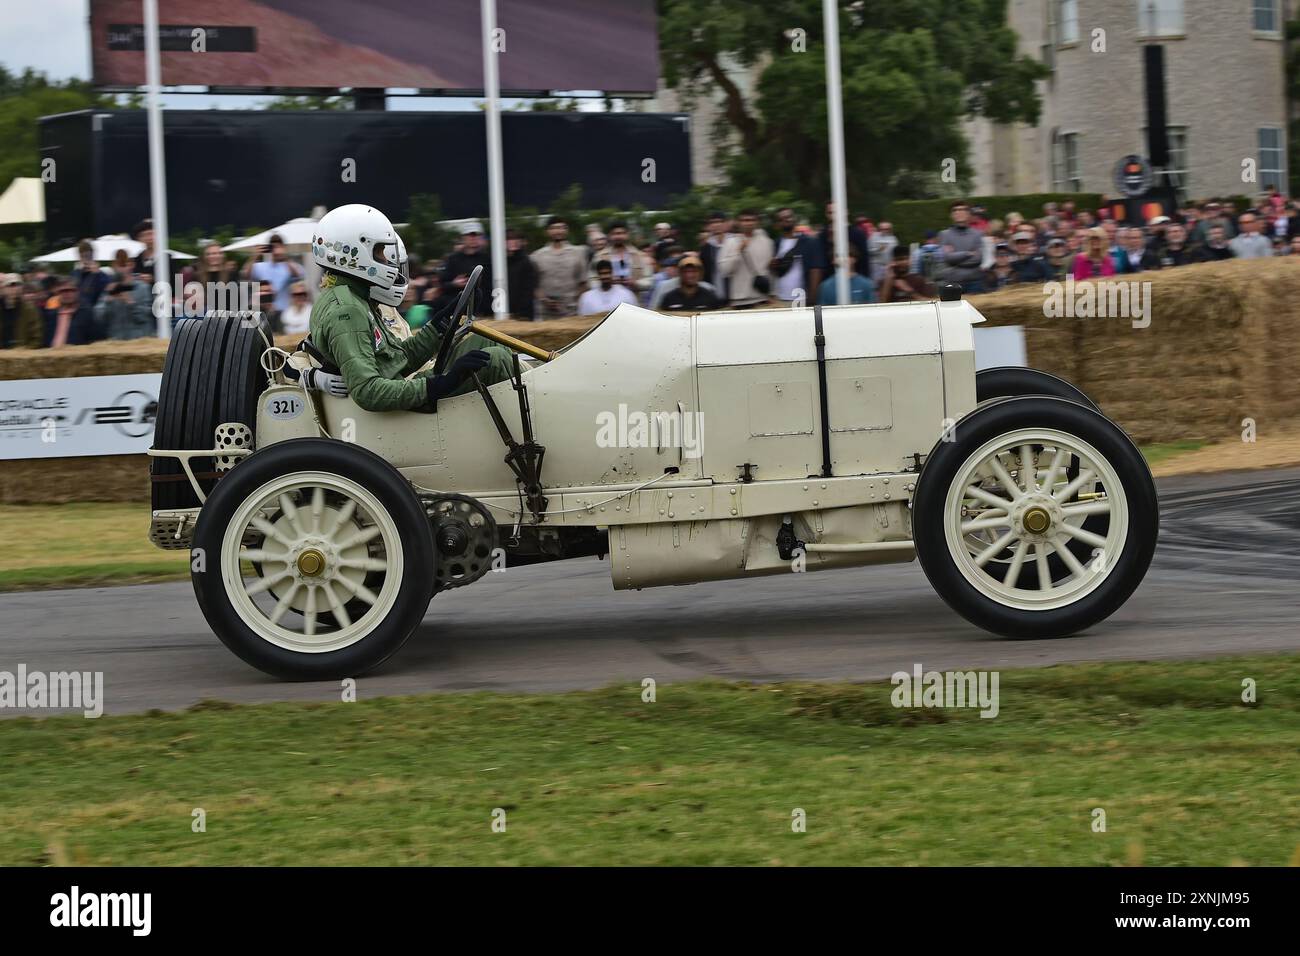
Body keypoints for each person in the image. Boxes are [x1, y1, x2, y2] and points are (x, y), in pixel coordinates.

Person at [308, 204, 514, 413]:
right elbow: (368, 391)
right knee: (494, 360)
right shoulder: (347, 312)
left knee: (487, 340)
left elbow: (398, 360)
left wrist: (440, 323)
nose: (387, 261)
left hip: (400, 385)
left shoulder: (356, 297)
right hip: (402, 406)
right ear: (353, 253)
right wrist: (442, 384)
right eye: (379, 252)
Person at [531, 216, 588, 319]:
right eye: (554, 228)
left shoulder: (578, 253)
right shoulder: (537, 256)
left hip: (571, 311)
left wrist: (576, 302)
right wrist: (544, 300)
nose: (558, 231)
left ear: (566, 230)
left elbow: (583, 283)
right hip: (544, 313)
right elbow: (533, 285)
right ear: (547, 231)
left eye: (561, 227)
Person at [717, 208, 774, 308]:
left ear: (757, 222)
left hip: (762, 298)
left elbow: (769, 271)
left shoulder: (767, 242)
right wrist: (738, 252)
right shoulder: (730, 242)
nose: (748, 223)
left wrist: (771, 293)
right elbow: (724, 270)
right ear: (738, 222)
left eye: (752, 220)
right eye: (744, 220)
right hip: (739, 300)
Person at [770, 207, 820, 304]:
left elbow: (816, 270)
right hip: (780, 300)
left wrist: (812, 299)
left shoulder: (809, 242)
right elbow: (775, 271)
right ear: (777, 224)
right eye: (781, 219)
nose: (786, 220)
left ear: (795, 218)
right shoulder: (775, 243)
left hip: (801, 300)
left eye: (789, 216)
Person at [244, 233, 305, 312]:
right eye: (273, 247)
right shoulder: (261, 266)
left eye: (279, 247)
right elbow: (246, 274)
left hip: (283, 311)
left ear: (283, 248)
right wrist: (255, 256)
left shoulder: (289, 266)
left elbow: (299, 275)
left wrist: (285, 257)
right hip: (265, 311)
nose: (276, 250)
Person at [937, 200, 985, 293]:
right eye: (955, 210)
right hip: (953, 282)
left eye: (962, 209)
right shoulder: (944, 234)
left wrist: (956, 258)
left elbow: (978, 258)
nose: (958, 212)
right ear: (951, 215)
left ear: (969, 214)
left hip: (975, 282)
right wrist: (969, 253)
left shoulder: (977, 234)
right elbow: (948, 258)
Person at [1, 276, 43, 348]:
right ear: (3, 288)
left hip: (22, 353)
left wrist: (25, 351)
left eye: (19, 285)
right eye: (11, 285)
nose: (16, 288)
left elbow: (37, 337)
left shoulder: (30, 309)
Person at [505, 229, 538, 321]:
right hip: (502, 311)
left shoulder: (527, 262)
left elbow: (529, 290)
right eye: (509, 239)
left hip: (523, 314)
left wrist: (519, 313)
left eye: (516, 239)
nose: (513, 242)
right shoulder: (498, 262)